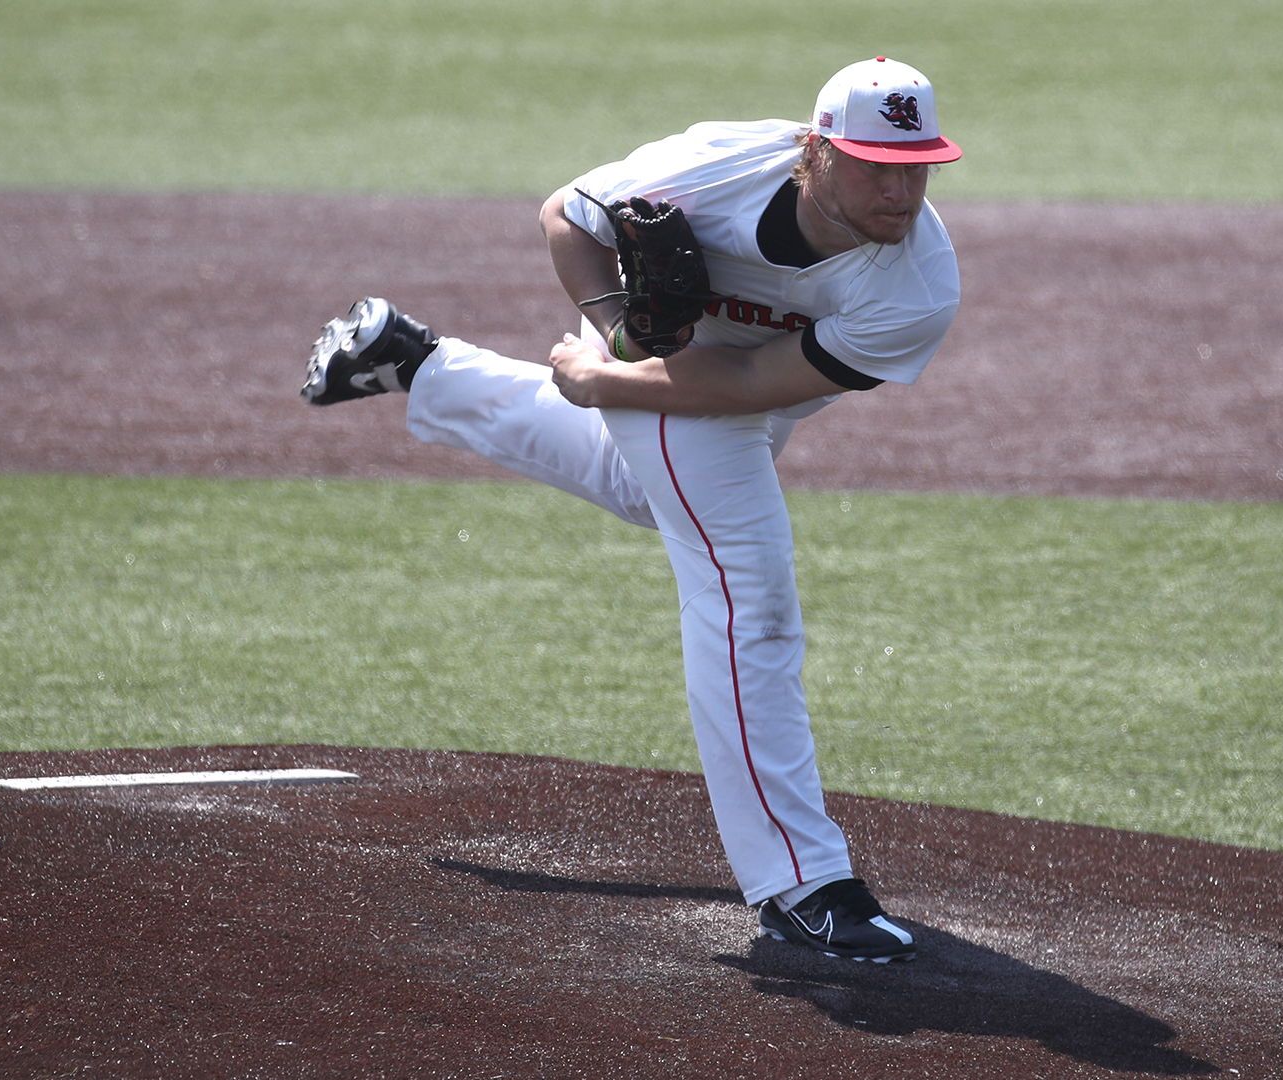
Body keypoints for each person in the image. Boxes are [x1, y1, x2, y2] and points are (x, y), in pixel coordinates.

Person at [300, 57, 961, 963]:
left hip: (724, 386)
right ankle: (803, 881)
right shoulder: (718, 164)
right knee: (746, 593)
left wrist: (604, 378)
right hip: (645, 348)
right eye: (874, 162)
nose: (901, 187)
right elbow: (566, 217)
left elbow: (748, 383)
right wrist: (615, 326)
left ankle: (415, 362)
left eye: (918, 163)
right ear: (815, 152)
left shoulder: (917, 287)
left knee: (642, 488)